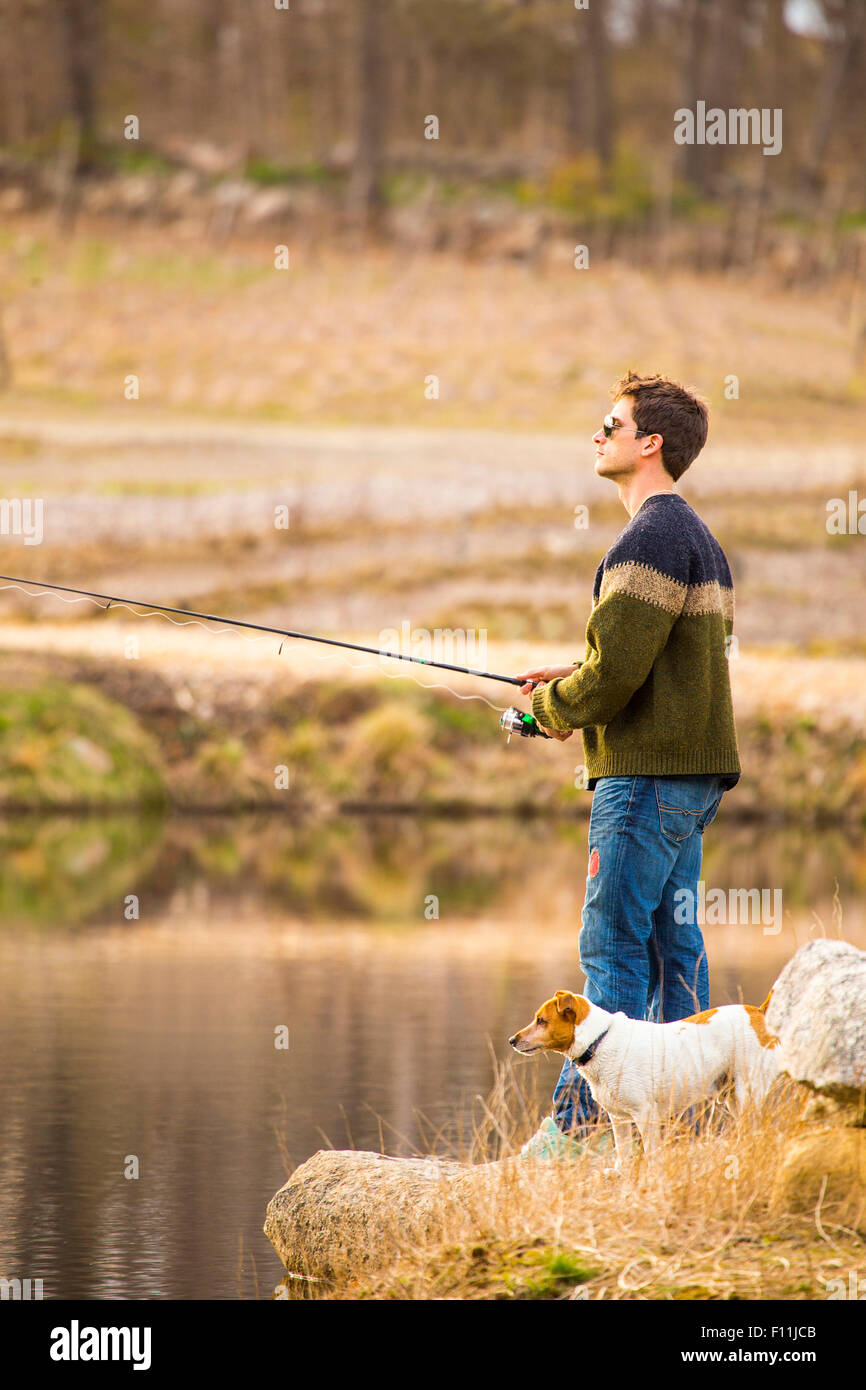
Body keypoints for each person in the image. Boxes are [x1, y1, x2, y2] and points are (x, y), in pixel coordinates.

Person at [514, 370, 741, 1159]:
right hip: (689, 780)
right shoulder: (700, 541)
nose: (596, 434)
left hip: (642, 781)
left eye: (608, 424)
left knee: (609, 947)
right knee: (673, 950)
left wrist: (547, 711)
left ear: (650, 444)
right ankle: (690, 1132)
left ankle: (575, 1133)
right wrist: (566, 677)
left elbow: (615, 679)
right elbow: (642, 665)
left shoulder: (647, 538)